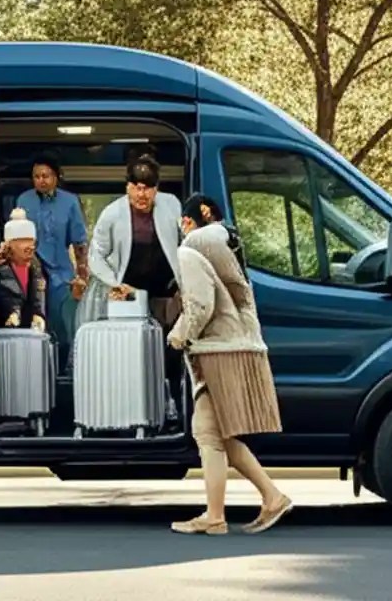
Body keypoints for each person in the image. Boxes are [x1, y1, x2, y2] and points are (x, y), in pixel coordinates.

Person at [166, 194, 291, 535]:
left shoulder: (191, 248)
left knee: (208, 434)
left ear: (188, 222)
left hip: (218, 349)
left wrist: (177, 336)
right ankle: (267, 498)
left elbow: (200, 305)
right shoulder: (227, 243)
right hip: (242, 342)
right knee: (215, 433)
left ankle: (218, 515)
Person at [80, 152, 184, 328]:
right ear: (128, 187)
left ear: (156, 189)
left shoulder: (172, 204)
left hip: (165, 293)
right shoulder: (111, 213)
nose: (141, 194)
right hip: (127, 292)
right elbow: (96, 255)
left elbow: (185, 243)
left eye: (147, 189)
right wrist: (115, 283)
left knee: (168, 346)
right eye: (137, 187)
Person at [14, 155, 89, 358]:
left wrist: (82, 275)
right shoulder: (24, 200)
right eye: (36, 176)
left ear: (56, 177)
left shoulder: (70, 202)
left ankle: (62, 371)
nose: (41, 180)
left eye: (46, 176)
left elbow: (79, 242)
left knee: (62, 329)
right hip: (29, 274)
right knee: (32, 326)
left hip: (61, 275)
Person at [0, 208, 48, 331]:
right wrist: (12, 312)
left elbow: (39, 295)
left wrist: (39, 314)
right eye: (23, 241)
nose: (30, 246)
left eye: (31, 241)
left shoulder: (36, 268)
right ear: (9, 244)